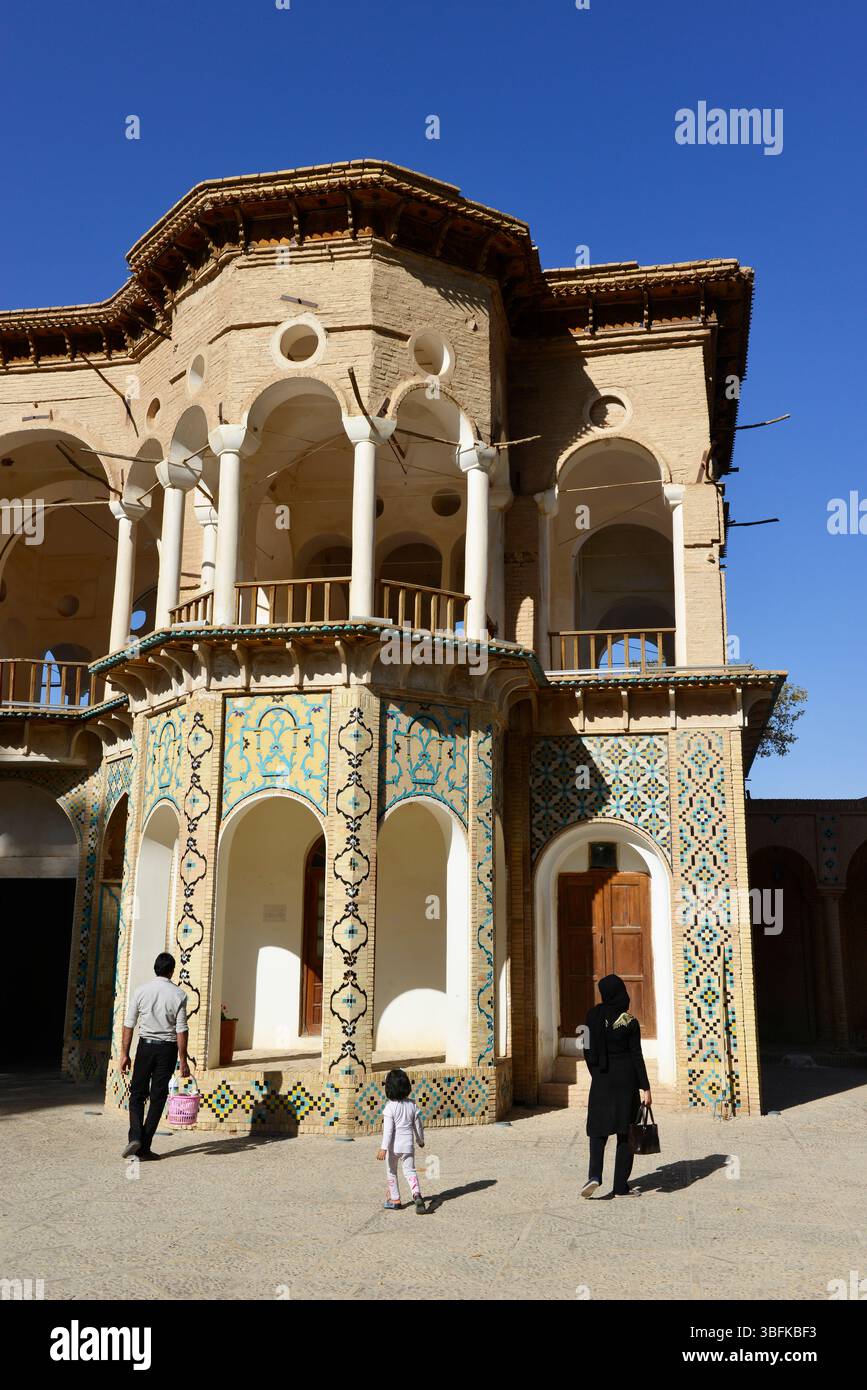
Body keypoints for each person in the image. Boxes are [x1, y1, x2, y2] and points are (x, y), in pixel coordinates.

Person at [581, 973, 651, 1198]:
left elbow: (587, 1049)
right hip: (625, 1082)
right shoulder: (629, 1021)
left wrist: (597, 1073)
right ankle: (620, 1186)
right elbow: (636, 1056)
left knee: (598, 1131)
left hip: (601, 1080)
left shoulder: (592, 1017)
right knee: (625, 1132)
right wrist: (645, 1088)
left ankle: (594, 1176)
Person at [119, 952, 190, 1161]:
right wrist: (183, 1060)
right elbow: (181, 1030)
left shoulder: (141, 991)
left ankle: (135, 1136)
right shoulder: (179, 995)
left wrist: (124, 1054)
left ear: (155, 968)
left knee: (137, 1094)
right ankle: (144, 1146)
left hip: (145, 1048)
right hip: (167, 1050)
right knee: (158, 1097)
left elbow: (129, 1024)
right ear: (172, 971)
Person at [377, 1069, 426, 1212]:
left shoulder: (389, 1108)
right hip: (408, 1146)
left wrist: (383, 1148)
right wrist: (420, 1140)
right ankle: (416, 1194)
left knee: (392, 1172)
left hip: (393, 1147)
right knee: (410, 1171)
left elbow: (388, 1130)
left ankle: (395, 1199)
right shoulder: (412, 1105)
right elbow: (418, 1126)